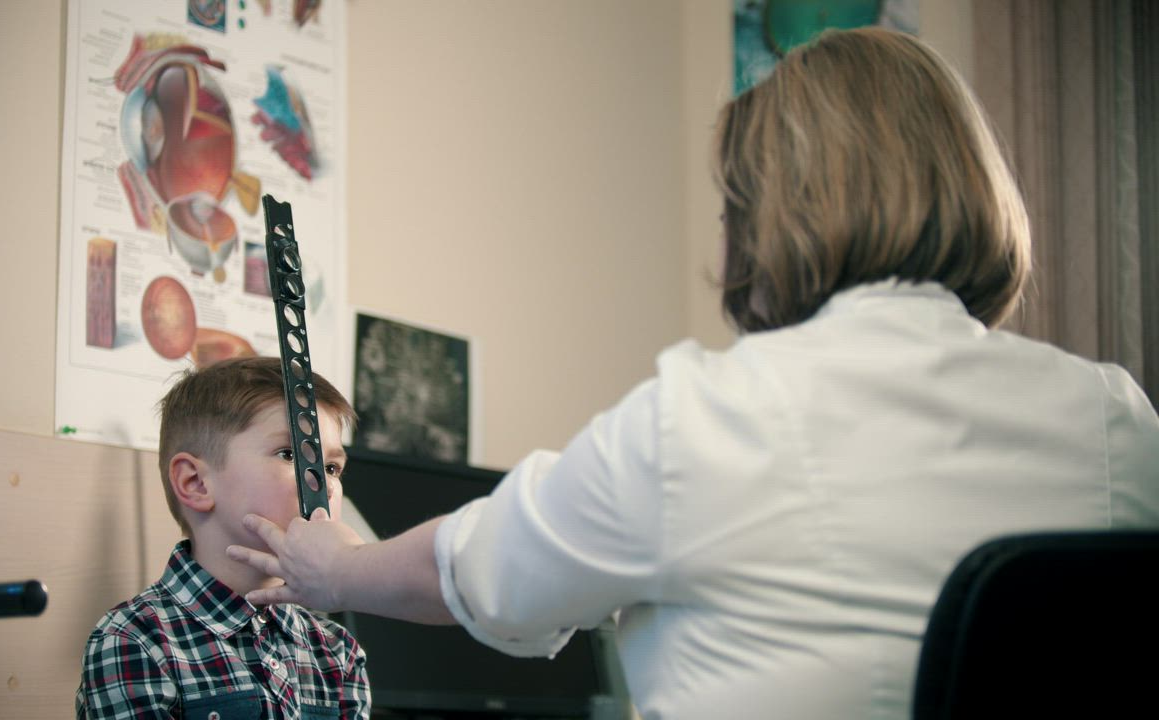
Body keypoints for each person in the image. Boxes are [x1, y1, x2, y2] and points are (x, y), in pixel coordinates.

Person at [227, 27, 1159, 719]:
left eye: (730, 206)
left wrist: (337, 569)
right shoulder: (1119, 419)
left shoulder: (714, 417)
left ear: (770, 215)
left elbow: (479, 569)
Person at [77, 357, 370, 719]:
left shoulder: (338, 652)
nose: (321, 484)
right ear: (195, 483)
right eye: (289, 454)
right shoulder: (133, 642)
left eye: (331, 467)